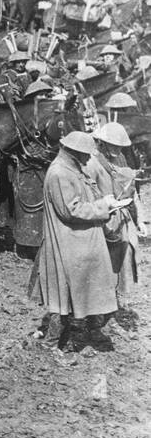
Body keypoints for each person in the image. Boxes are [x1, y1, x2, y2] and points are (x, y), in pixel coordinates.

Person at [27, 131, 124, 350]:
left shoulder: (72, 169)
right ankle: (51, 345)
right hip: (68, 242)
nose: (89, 159)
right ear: (74, 152)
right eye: (86, 155)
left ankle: (66, 340)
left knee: (74, 293)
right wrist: (103, 208)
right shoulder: (60, 173)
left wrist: (104, 200)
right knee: (65, 294)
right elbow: (70, 210)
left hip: (77, 240)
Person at [88, 122, 143, 326]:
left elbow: (130, 188)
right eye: (113, 146)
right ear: (102, 143)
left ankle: (111, 307)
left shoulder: (119, 158)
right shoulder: (93, 162)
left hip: (119, 219)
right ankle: (96, 316)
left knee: (120, 263)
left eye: (120, 147)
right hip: (101, 218)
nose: (118, 150)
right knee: (100, 266)